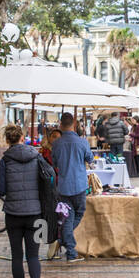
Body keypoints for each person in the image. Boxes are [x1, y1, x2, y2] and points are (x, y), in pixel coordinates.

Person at [0, 124, 54, 278]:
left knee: (17, 257)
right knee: (34, 254)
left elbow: (0, 189)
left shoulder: (5, 161)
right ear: (23, 137)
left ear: (7, 140)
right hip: (36, 214)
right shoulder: (36, 156)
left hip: (13, 215)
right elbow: (49, 177)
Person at [52, 112, 92, 264]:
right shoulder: (82, 142)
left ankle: (67, 243)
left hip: (63, 186)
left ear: (61, 125)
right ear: (74, 124)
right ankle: (69, 247)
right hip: (80, 185)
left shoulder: (56, 143)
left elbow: (54, 163)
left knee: (67, 218)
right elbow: (89, 158)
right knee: (79, 213)